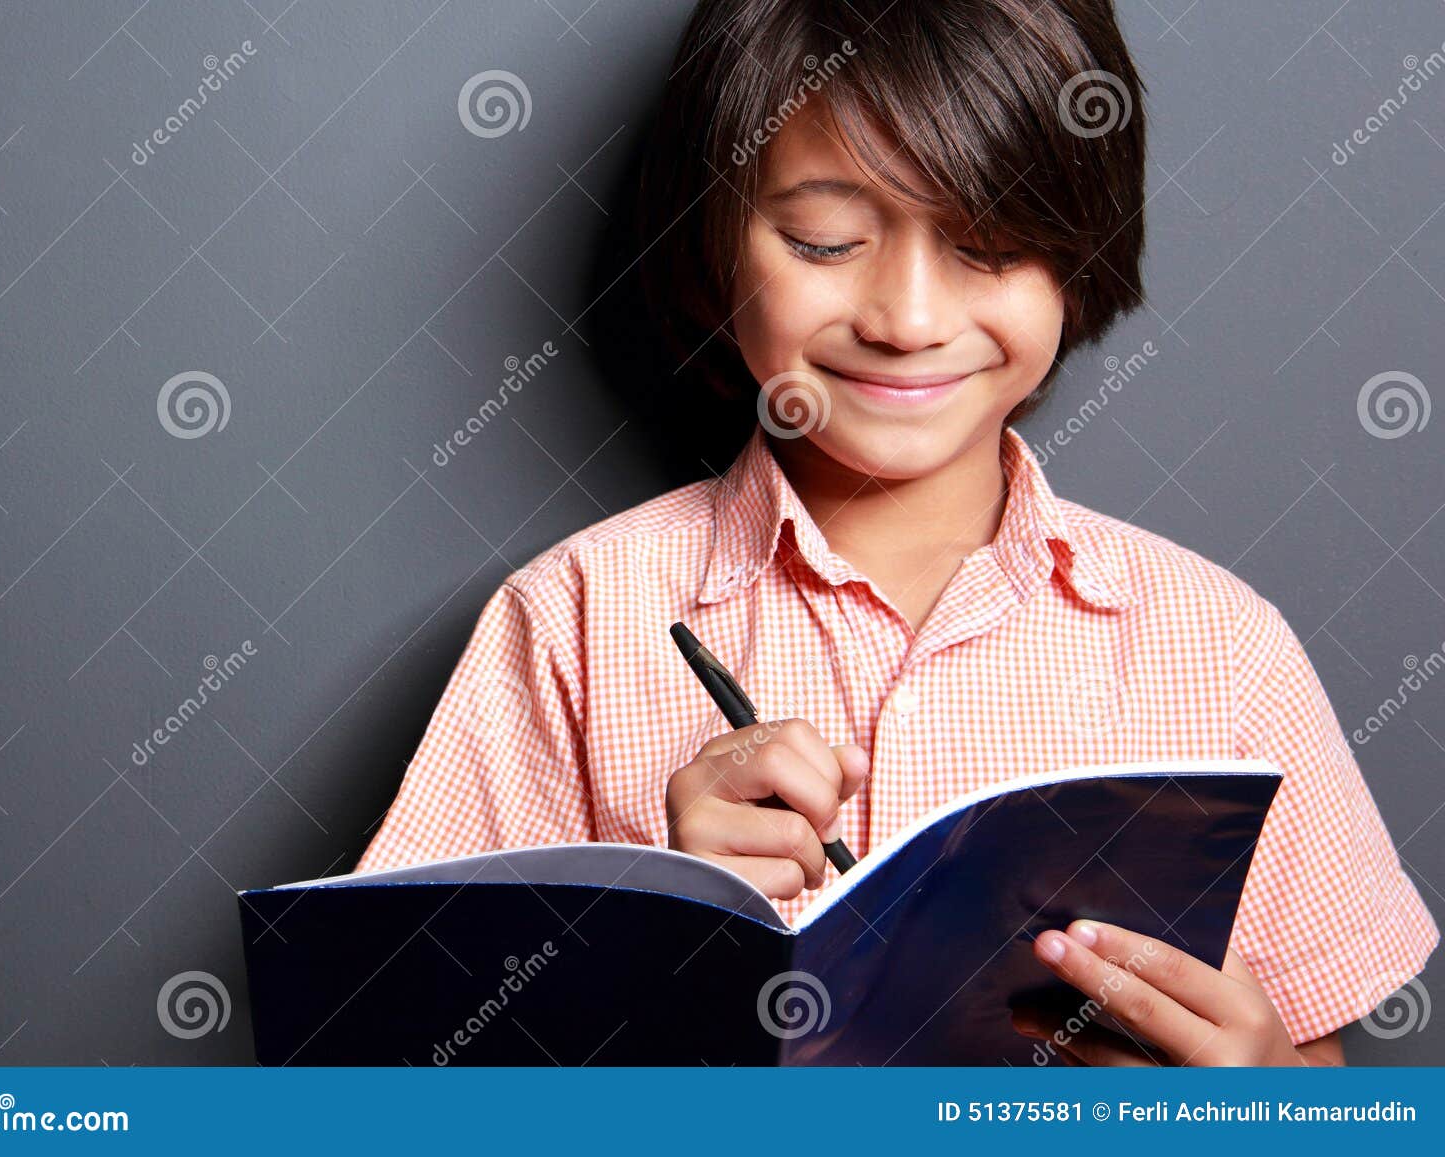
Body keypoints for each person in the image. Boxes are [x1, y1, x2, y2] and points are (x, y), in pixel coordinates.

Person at [357, 0, 1436, 1065]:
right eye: (826, 239)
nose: (907, 318)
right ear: (710, 245)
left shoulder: (1221, 649)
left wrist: (1257, 1096)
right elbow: (393, 1069)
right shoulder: (574, 622)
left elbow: (1314, 1081)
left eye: (989, 240)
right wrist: (654, 925)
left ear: (1078, 243)